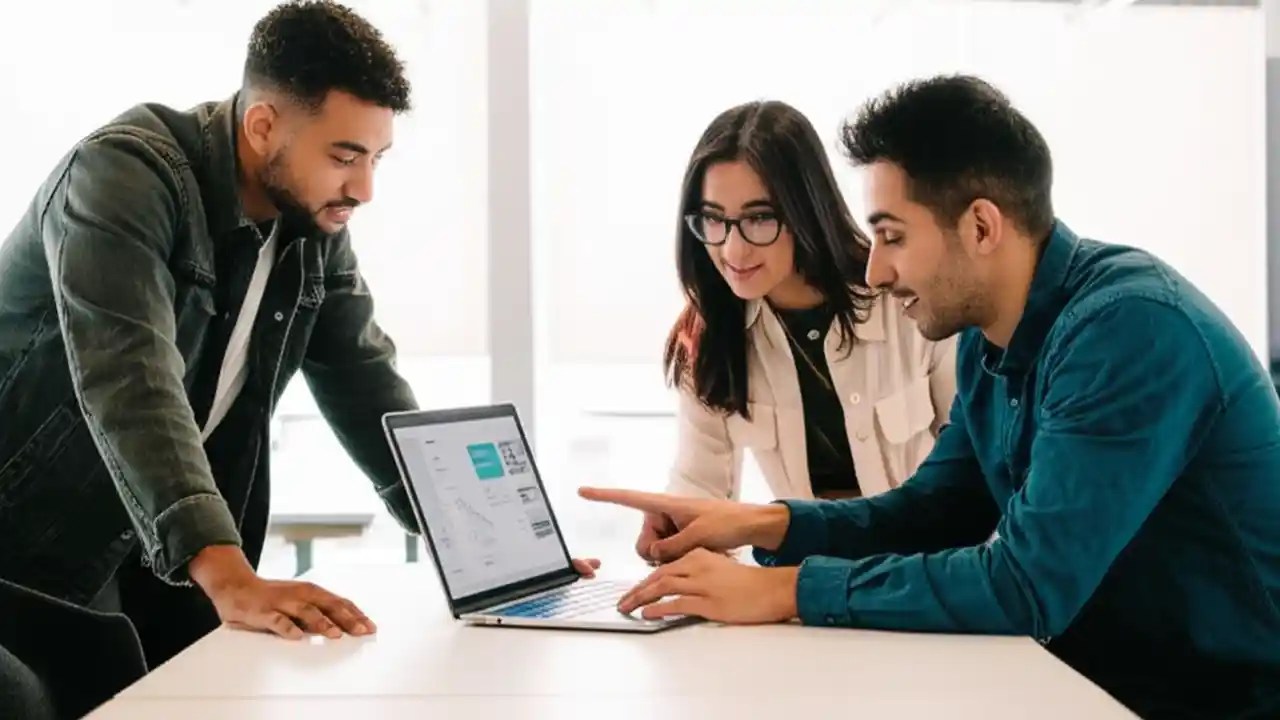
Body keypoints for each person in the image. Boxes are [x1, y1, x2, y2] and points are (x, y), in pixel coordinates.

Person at [581, 75, 1280, 719]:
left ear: (980, 227)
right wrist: (761, 526)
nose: (876, 268)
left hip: (1215, 698)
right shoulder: (989, 337)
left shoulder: (1129, 331)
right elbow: (932, 511)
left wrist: (784, 589)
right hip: (1089, 680)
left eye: (891, 236)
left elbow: (1026, 585)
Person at [0, 0, 421, 667]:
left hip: (161, 558)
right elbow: (130, 375)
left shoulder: (312, 225)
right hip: (32, 543)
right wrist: (231, 579)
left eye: (377, 158)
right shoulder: (122, 176)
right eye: (345, 156)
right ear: (262, 125)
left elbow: (367, 379)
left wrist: (489, 545)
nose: (364, 187)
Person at [630, 100, 955, 565]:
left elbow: (975, 474)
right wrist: (674, 535)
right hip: (809, 588)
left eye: (760, 218)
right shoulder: (709, 339)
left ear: (805, 209)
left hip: (925, 576)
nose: (733, 247)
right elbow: (699, 489)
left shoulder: (910, 304)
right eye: (715, 220)